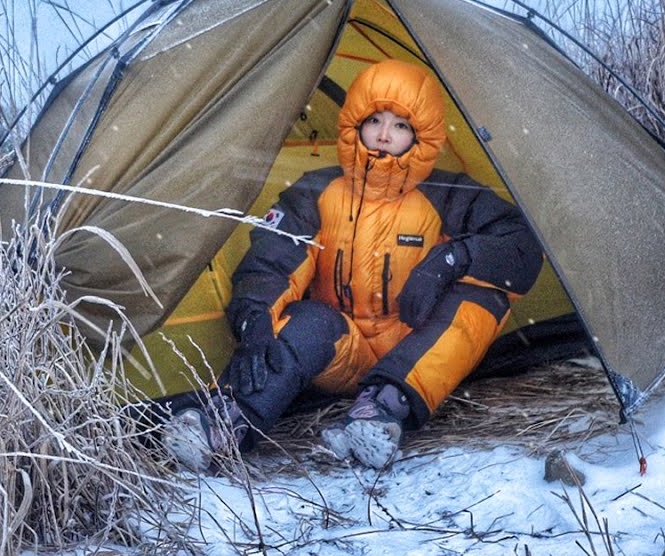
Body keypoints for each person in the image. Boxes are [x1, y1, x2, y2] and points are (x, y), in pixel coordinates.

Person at [165, 59, 543, 471]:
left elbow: (520, 246)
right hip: (345, 350)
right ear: (354, 125)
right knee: (305, 318)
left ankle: (381, 411)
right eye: (374, 120)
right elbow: (272, 262)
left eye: (400, 126)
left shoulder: (449, 195)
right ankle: (224, 423)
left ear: (421, 135)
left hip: (420, 347)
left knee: (484, 294)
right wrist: (253, 322)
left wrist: (451, 259)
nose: (383, 135)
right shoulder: (317, 191)